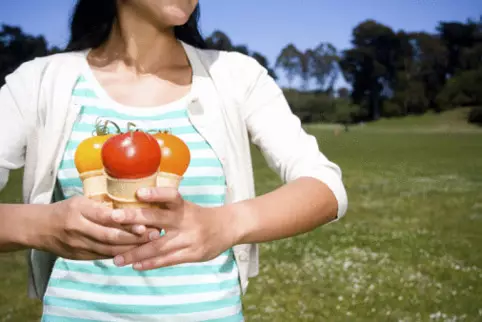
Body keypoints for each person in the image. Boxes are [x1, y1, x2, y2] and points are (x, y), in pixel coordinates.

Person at [0, 0, 348, 320]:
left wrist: (226, 224)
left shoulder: (236, 76)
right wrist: (40, 225)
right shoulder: (39, 82)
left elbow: (326, 187)